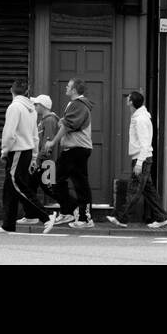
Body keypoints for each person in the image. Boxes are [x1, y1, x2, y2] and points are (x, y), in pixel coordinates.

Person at [106, 91, 167, 230]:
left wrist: (140, 162)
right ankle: (162, 218)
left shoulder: (140, 119)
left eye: (128, 97)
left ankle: (121, 218)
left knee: (134, 190)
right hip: (143, 158)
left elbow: (145, 143)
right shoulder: (138, 116)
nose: (126, 98)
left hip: (142, 158)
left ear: (131, 102)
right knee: (149, 191)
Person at [0, 80, 50, 233]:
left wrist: (4, 152)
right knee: (9, 190)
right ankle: (8, 225)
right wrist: (34, 156)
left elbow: (9, 134)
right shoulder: (31, 109)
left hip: (16, 151)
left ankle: (46, 217)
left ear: (11, 90)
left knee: (18, 187)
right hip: (26, 152)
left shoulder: (14, 107)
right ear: (27, 91)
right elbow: (35, 136)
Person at [43, 78, 95, 232]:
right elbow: (68, 124)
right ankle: (68, 211)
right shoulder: (74, 105)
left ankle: (85, 218)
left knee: (79, 184)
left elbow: (68, 125)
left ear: (74, 90)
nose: (66, 87)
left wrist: (52, 142)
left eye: (68, 86)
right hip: (73, 149)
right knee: (55, 179)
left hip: (77, 149)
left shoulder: (79, 104)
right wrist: (63, 123)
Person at [23, 94, 61, 219]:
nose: (34, 106)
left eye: (36, 104)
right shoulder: (44, 120)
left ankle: (72, 208)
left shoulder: (50, 120)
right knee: (31, 187)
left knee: (49, 188)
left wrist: (38, 161)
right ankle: (31, 215)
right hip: (42, 161)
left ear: (43, 106)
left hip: (47, 162)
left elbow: (47, 144)